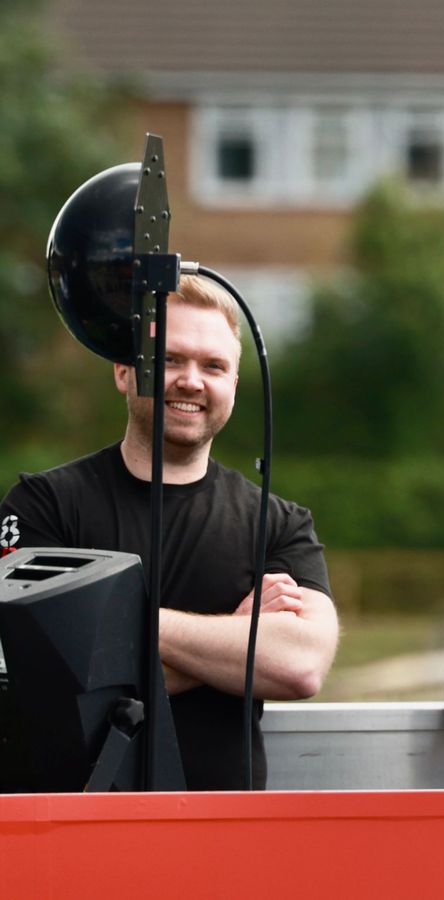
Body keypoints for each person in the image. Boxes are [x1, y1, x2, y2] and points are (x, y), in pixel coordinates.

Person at [0, 275, 339, 790]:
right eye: (171, 359)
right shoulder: (43, 504)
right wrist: (240, 635)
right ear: (122, 370)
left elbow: (300, 665)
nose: (191, 381)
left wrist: (105, 635)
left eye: (213, 366)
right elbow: (37, 688)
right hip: (64, 831)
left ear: (233, 386)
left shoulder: (278, 523)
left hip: (220, 837)